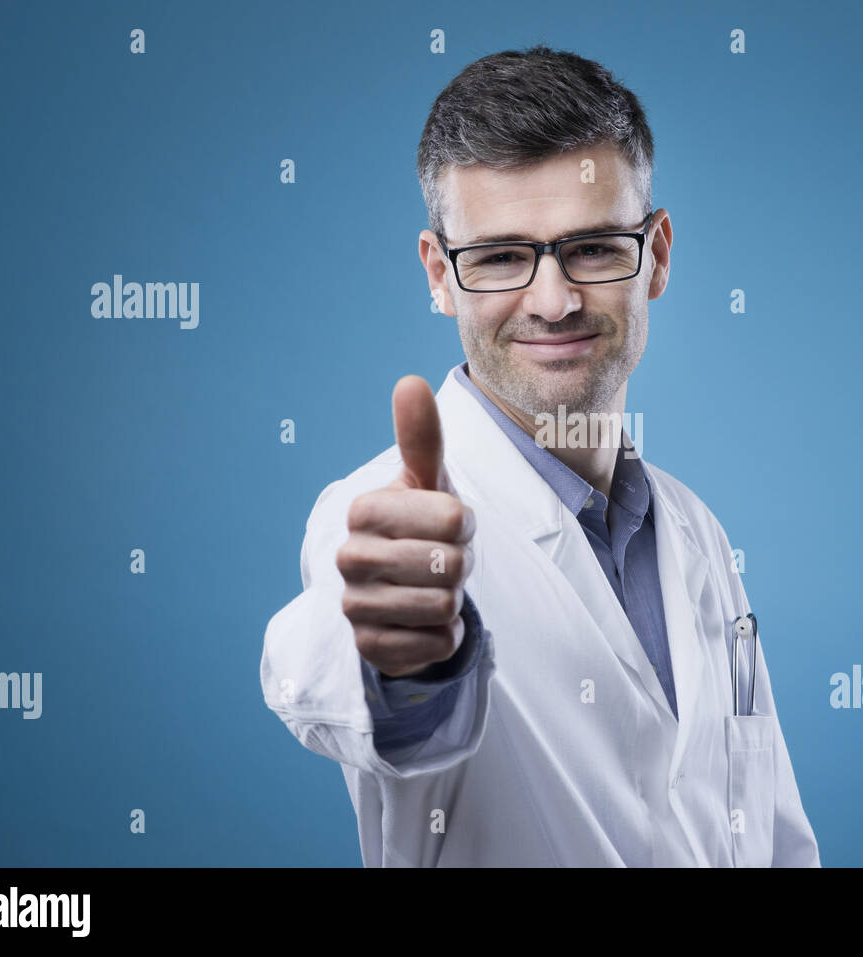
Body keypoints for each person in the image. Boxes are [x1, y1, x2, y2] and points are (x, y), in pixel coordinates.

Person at [260, 44, 822, 867]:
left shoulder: (698, 532)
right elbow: (351, 673)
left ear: (657, 253)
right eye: (499, 257)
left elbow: (768, 831)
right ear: (440, 275)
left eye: (592, 248)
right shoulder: (389, 518)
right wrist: (412, 661)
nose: (553, 302)